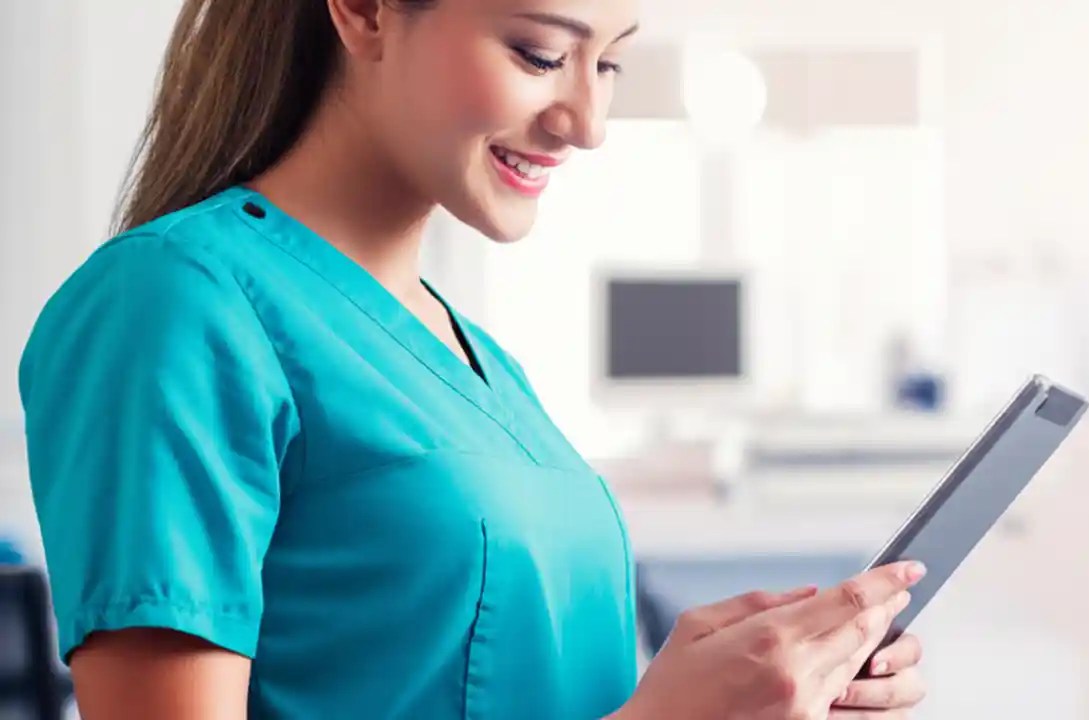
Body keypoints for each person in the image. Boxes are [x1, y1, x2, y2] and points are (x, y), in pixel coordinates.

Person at [18, 0, 929, 718]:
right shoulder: (175, 303)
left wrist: (743, 694)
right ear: (364, 10)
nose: (588, 122)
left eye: (609, 64)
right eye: (540, 54)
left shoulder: (481, 361)